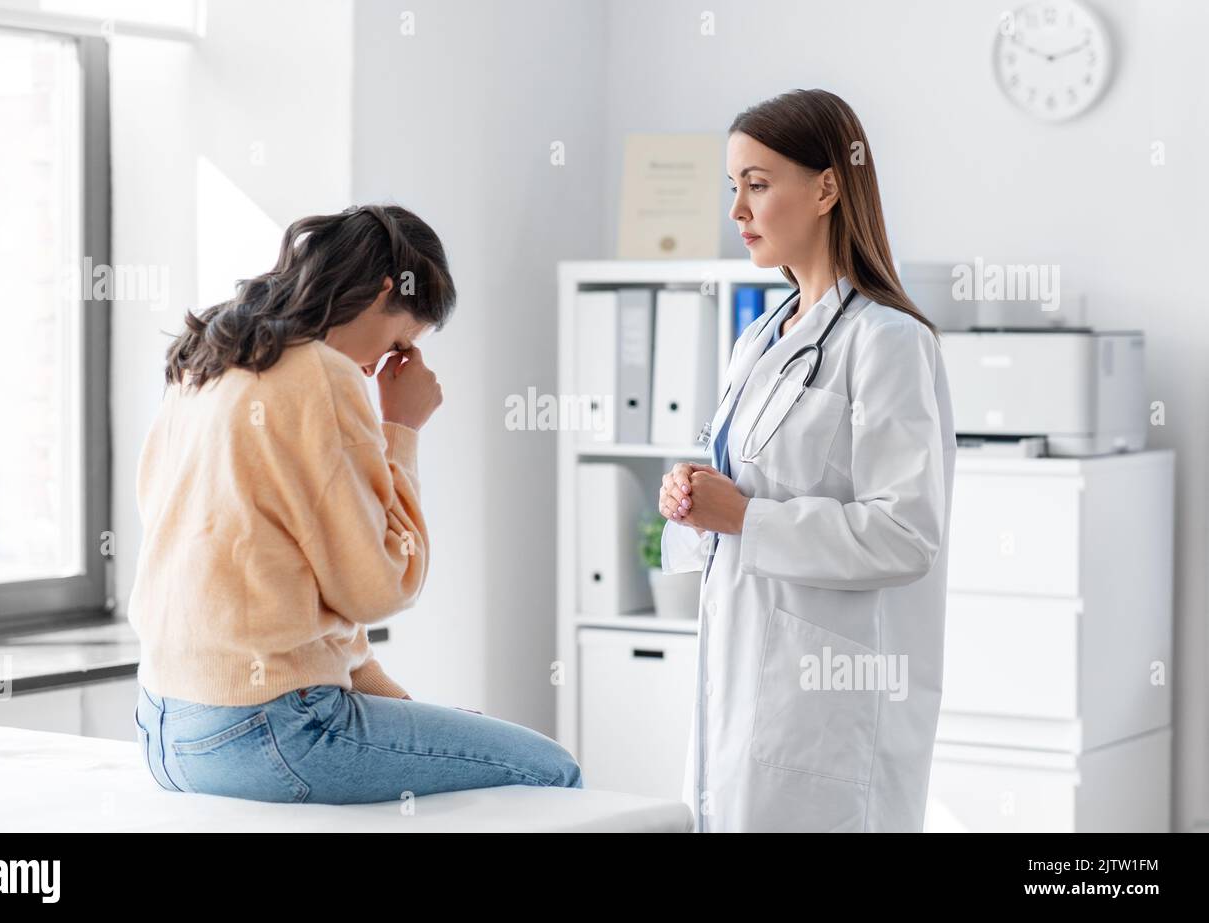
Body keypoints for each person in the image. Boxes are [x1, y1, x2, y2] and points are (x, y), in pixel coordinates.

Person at [129, 204, 581, 804]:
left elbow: (293, 585)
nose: (379, 367)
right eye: (399, 341)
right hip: (271, 731)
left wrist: (395, 706)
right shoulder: (320, 371)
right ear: (384, 289)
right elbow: (379, 585)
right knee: (551, 771)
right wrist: (402, 426)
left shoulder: (208, 357)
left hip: (165, 728)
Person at [659, 89, 957, 832]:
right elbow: (739, 497)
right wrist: (694, 500)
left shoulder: (888, 342)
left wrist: (748, 517)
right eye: (735, 188)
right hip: (736, 692)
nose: (737, 211)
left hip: (827, 715)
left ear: (827, 186)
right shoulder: (757, 341)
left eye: (757, 184)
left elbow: (906, 534)